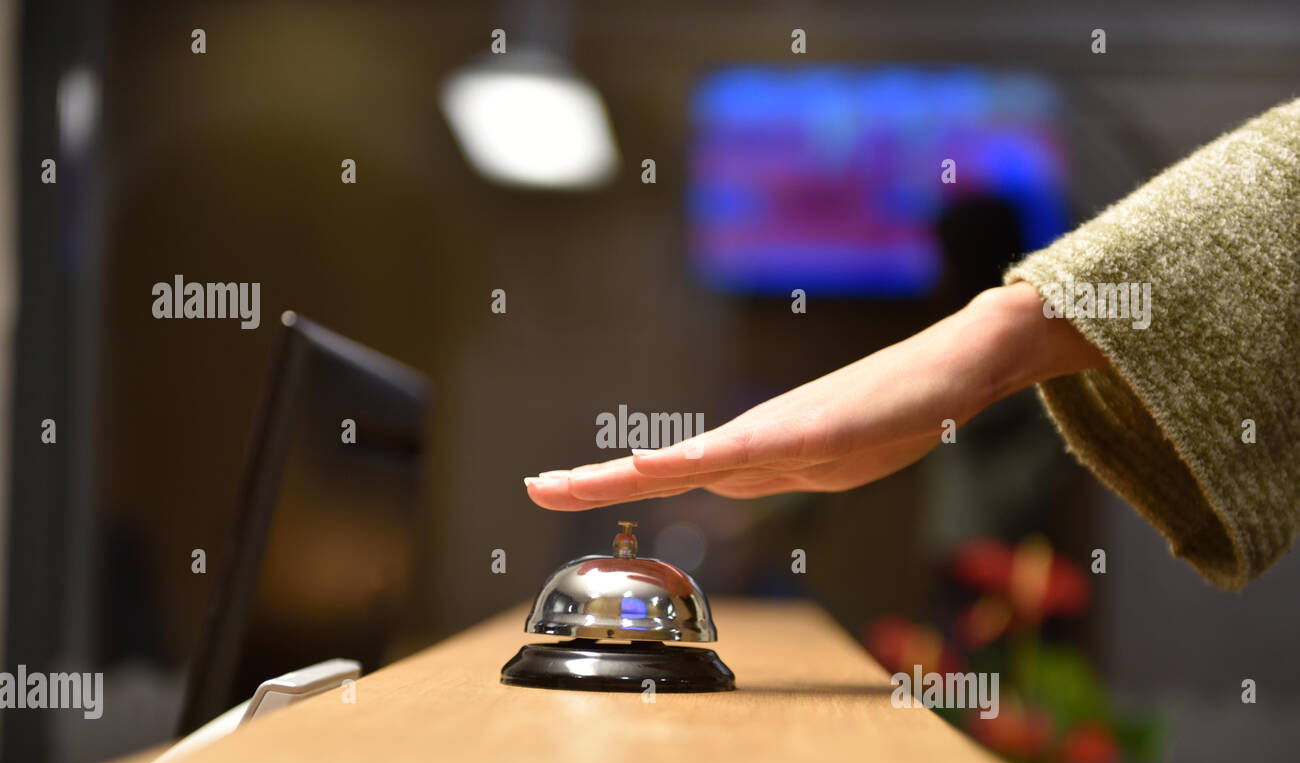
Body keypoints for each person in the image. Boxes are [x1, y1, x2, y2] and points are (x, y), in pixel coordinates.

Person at [526, 98, 1300, 590]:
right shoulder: (982, 354)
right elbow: (856, 459)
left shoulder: (1035, 381)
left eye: (945, 255)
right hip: (958, 565)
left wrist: (997, 337)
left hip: (1023, 568)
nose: (932, 272)